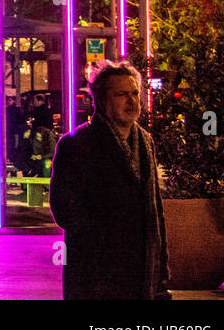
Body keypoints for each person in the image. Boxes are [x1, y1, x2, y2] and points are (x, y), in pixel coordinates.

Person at [50, 61, 170, 300]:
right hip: (96, 273)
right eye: (121, 94)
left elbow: (155, 206)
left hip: (142, 270)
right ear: (102, 100)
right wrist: (101, 241)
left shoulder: (145, 141)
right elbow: (64, 208)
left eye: (135, 93)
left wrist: (161, 262)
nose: (132, 100)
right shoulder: (76, 143)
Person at [23, 106, 57, 178]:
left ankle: (44, 184)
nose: (38, 139)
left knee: (47, 164)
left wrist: (41, 157)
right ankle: (29, 181)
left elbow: (52, 152)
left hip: (47, 158)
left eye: (40, 137)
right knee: (29, 164)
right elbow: (32, 149)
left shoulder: (49, 138)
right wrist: (34, 156)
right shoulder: (35, 138)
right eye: (37, 137)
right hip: (38, 159)